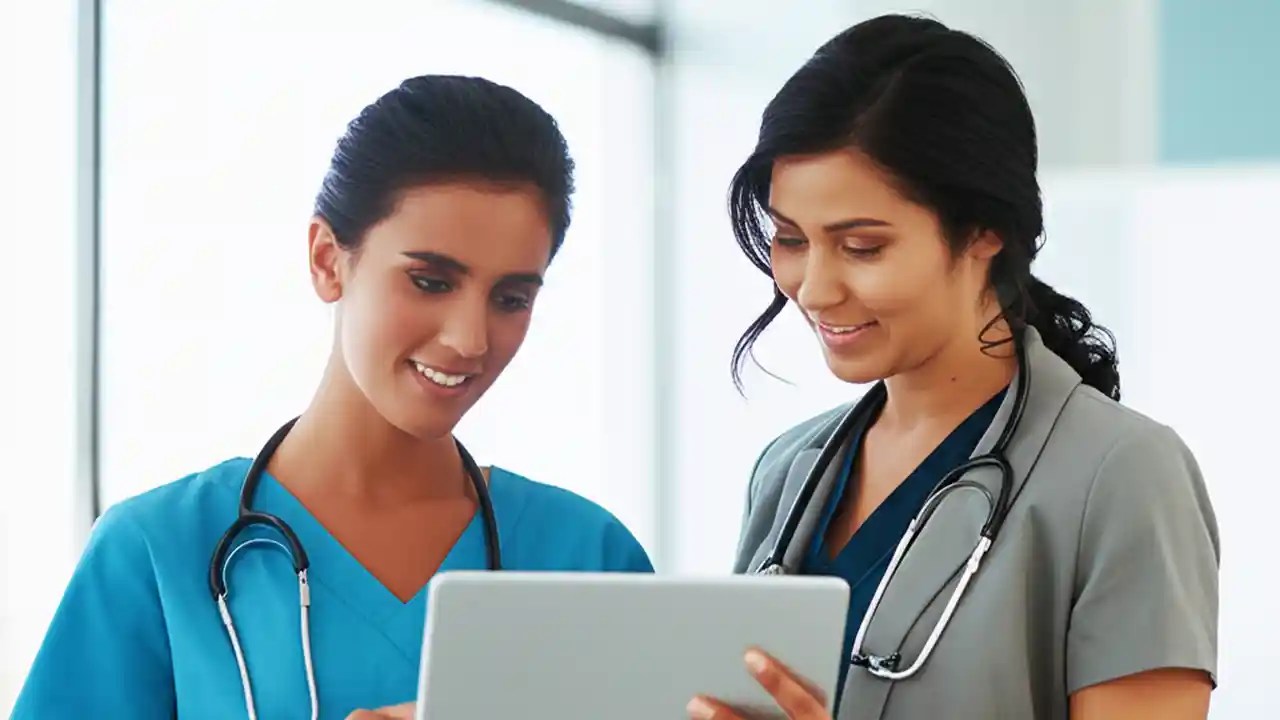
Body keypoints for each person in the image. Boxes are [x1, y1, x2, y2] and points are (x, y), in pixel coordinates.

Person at [14, 75, 652, 719]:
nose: (469, 339)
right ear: (327, 260)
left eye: (511, 298)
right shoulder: (156, 553)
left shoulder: (589, 558)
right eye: (429, 281)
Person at [687, 14, 1219, 720]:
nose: (813, 288)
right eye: (790, 239)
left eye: (863, 247)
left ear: (985, 231)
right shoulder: (788, 473)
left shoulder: (1123, 476)